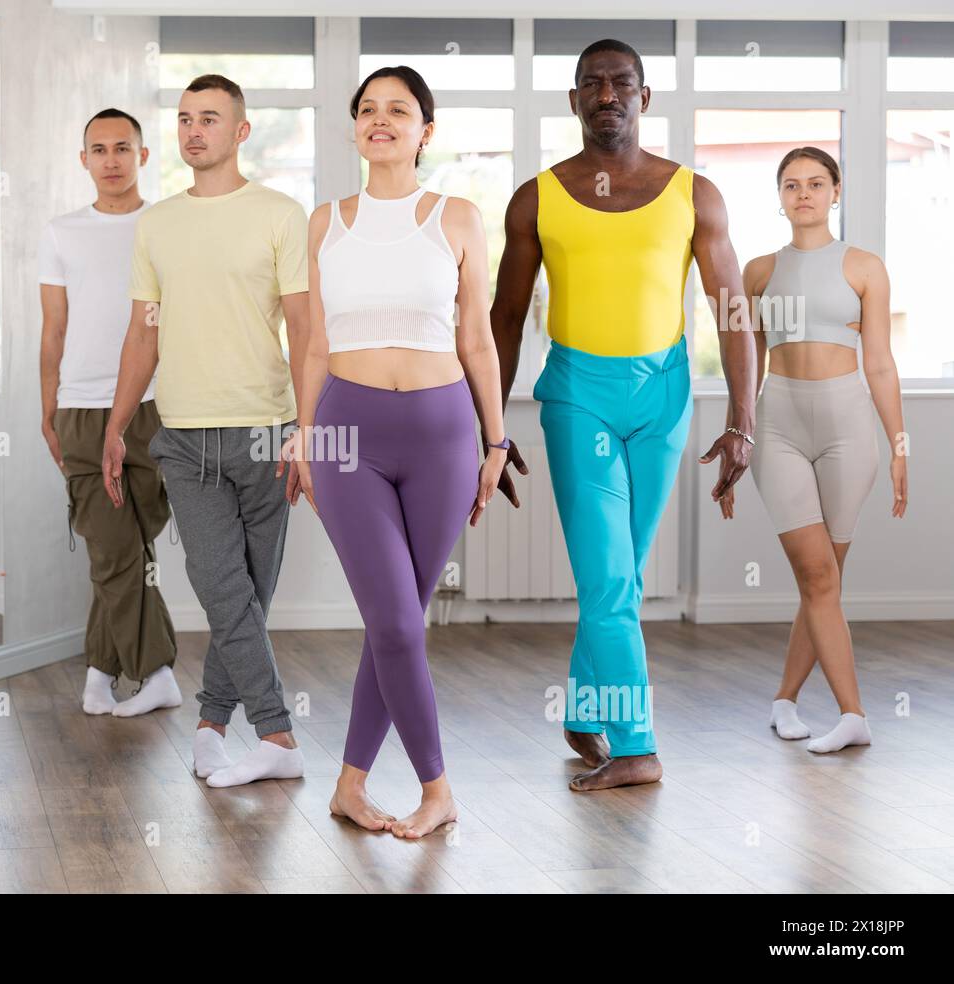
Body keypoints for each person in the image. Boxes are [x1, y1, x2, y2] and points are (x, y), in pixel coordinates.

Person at [490, 39, 757, 790]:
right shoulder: (535, 198)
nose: (607, 94)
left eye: (622, 83)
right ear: (573, 101)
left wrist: (743, 418)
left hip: (664, 398)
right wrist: (487, 425)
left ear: (645, 97)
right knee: (608, 580)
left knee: (622, 577)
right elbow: (503, 320)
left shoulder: (694, 193)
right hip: (578, 399)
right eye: (591, 84)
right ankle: (637, 746)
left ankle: (587, 704)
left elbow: (732, 310)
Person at [291, 67, 507, 838]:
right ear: (354, 127)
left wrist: (496, 439)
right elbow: (316, 344)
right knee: (397, 624)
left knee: (400, 623)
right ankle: (437, 787)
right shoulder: (326, 223)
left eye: (400, 110)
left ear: (426, 131)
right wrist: (303, 431)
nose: (381, 121)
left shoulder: (456, 218)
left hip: (444, 432)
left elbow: (477, 338)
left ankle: (350, 785)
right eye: (368, 110)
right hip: (347, 432)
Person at [105, 75, 309, 787]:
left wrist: (308, 430)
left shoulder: (282, 215)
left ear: (242, 131)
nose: (195, 131)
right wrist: (116, 423)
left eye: (211, 119)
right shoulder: (156, 223)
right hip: (184, 434)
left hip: (265, 432)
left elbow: (308, 336)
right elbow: (142, 335)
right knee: (221, 584)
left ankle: (211, 724)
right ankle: (280, 737)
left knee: (247, 594)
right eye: (186, 119)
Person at [734, 147, 908, 754]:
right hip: (778, 424)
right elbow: (747, 364)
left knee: (824, 581)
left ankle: (785, 699)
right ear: (779, 197)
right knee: (816, 574)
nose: (802, 193)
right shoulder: (757, 272)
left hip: (849, 427)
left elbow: (881, 362)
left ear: (836, 191)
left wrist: (899, 445)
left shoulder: (864, 267)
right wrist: (737, 437)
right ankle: (853, 713)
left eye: (815, 183)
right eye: (790, 185)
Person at [40, 108, 179, 717]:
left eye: (123, 148)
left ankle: (100, 666)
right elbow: (54, 328)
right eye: (99, 150)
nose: (112, 160)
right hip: (81, 406)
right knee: (113, 548)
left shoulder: (168, 224)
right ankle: (158, 671)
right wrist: (49, 406)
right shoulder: (61, 232)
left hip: (154, 405)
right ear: (84, 160)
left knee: (129, 543)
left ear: (143, 155)